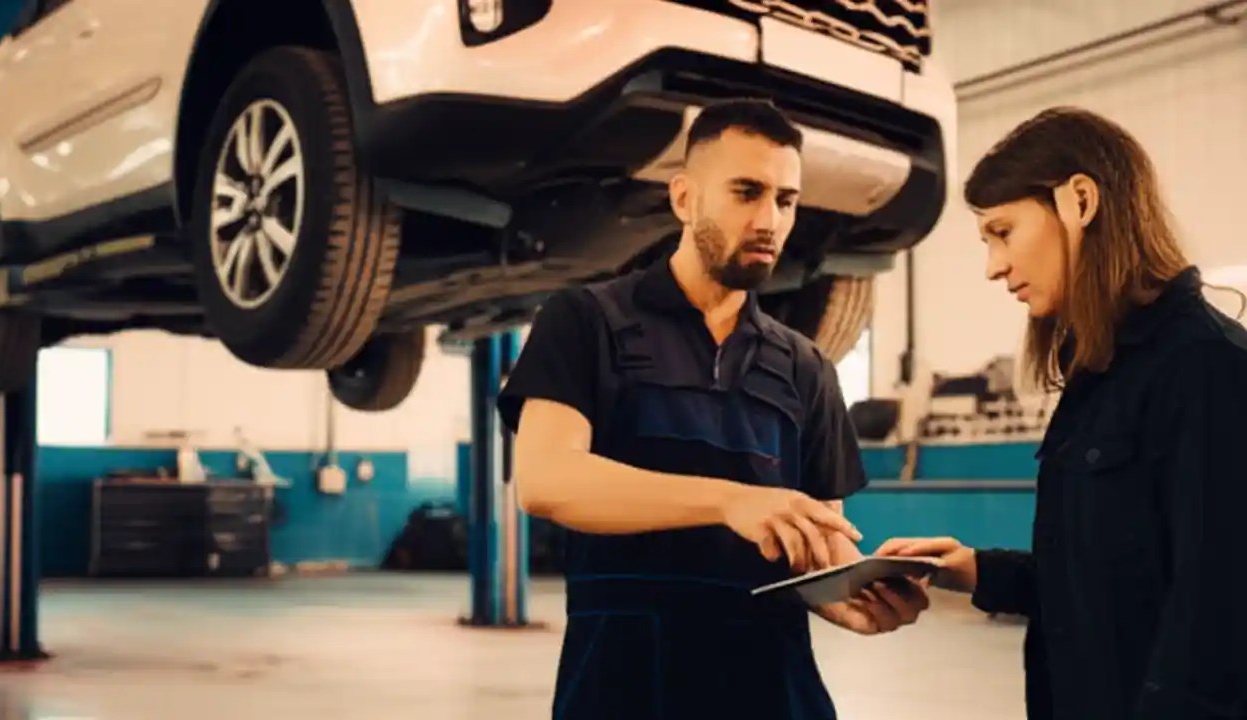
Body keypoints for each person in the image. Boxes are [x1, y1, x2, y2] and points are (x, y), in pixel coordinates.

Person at [497, 98, 929, 720]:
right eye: (746, 192)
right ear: (684, 198)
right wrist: (731, 500)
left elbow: (822, 541)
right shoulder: (586, 321)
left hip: (770, 690)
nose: (770, 219)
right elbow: (545, 480)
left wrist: (850, 595)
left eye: (786, 199)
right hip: (624, 687)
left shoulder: (805, 367)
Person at [877, 107, 1247, 720]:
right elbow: (1104, 584)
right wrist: (976, 571)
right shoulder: (1098, 375)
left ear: (1080, 201)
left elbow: (1218, 625)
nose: (993, 266)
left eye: (1003, 232)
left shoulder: (1209, 372)